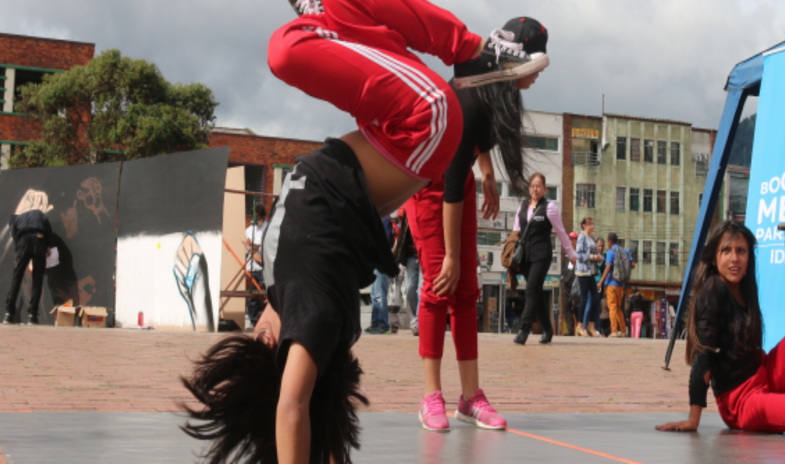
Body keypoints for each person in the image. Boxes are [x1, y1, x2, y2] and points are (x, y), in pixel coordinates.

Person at [181, 1, 549, 462]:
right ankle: (458, 46)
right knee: (303, 47)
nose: (262, 336)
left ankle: (447, 41)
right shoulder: (303, 310)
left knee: (298, 47)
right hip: (394, 145)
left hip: (390, 149)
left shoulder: (305, 315)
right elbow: (302, 409)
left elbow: (293, 406)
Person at [404, 16, 550, 432]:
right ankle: (431, 396)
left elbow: (475, 143)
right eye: (536, 65)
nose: (537, 76)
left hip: (458, 183)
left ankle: (471, 398)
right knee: (438, 287)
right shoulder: (470, 97)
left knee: (467, 292)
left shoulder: (492, 88)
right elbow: (449, 177)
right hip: (430, 187)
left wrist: (485, 171)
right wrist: (450, 255)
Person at [656, 221, 785, 435]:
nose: (734, 258)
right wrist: (693, 419)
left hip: (765, 374)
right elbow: (703, 357)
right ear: (715, 257)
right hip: (741, 400)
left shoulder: (745, 288)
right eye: (726, 251)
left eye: (741, 251)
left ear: (749, 256)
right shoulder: (712, 290)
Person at [512, 173, 575, 345]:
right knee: (536, 292)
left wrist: (571, 254)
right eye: (532, 185)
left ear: (545, 189)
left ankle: (523, 330)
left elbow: (561, 232)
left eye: (539, 186)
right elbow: (516, 231)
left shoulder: (549, 208)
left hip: (542, 256)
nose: (535, 189)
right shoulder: (523, 205)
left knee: (532, 288)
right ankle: (547, 329)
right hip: (525, 257)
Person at [5, 210, 52, 325]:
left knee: (17, 276)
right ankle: (32, 316)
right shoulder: (40, 215)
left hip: (23, 240)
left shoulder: (16, 218)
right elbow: (48, 230)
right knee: (37, 278)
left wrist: (18, 246)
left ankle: (9, 314)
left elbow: (14, 232)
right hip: (40, 238)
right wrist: (47, 245)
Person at [598, 233, 634, 338]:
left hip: (611, 284)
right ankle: (623, 331)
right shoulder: (625, 251)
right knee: (618, 308)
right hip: (621, 285)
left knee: (612, 307)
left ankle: (614, 331)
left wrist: (600, 282)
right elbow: (632, 264)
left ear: (609, 241)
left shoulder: (610, 252)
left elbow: (608, 267)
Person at [394, 207, 422, 336]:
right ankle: (414, 322)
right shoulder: (407, 208)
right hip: (410, 256)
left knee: (423, 291)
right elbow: (401, 235)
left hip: (424, 255)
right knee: (409, 289)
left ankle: (418, 324)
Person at [365, 216, 395, 334]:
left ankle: (383, 325)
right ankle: (375, 324)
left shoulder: (385, 220)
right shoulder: (374, 219)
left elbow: (388, 239)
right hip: (373, 262)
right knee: (373, 295)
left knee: (380, 294)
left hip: (381, 262)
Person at [575, 217, 603, 337]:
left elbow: (593, 254)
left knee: (596, 298)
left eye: (593, 224)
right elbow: (579, 254)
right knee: (584, 299)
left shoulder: (591, 238)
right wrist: (593, 257)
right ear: (584, 226)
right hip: (583, 272)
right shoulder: (582, 237)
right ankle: (580, 325)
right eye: (589, 224)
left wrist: (598, 258)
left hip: (591, 272)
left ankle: (591, 325)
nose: (592, 226)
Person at [244, 204, 269, 328]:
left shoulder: (267, 229)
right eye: (255, 216)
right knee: (252, 298)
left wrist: (253, 248)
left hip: (263, 269)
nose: (256, 219)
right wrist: (251, 248)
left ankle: (265, 323)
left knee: (265, 297)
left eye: (259, 217)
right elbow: (246, 248)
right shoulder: (249, 230)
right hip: (251, 268)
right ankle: (254, 323)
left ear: (263, 217)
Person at [560, 232, 580, 336]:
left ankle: (580, 329)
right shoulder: (566, 252)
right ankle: (570, 330)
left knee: (576, 306)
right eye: (570, 239)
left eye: (574, 239)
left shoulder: (580, 252)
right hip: (566, 283)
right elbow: (564, 266)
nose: (572, 241)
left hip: (576, 283)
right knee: (566, 307)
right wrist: (562, 278)